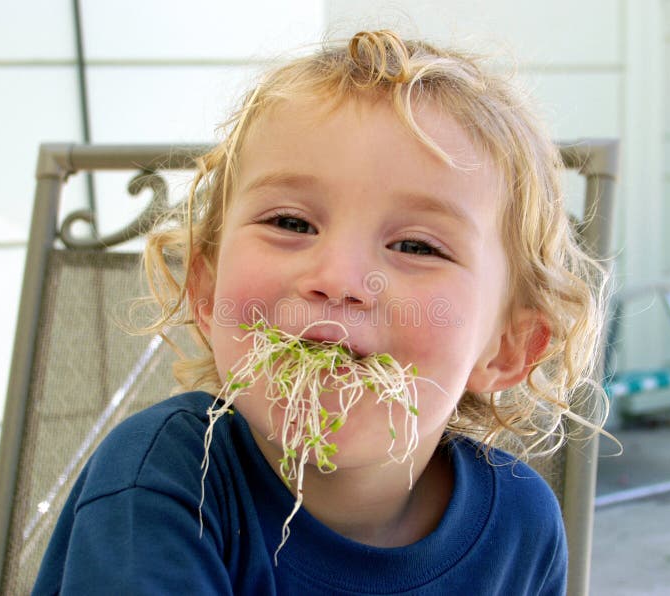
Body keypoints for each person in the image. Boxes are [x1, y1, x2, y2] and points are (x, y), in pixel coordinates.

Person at [33, 30, 608, 595]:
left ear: (509, 347)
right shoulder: (167, 483)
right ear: (206, 291)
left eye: (416, 246)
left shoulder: (520, 528)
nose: (337, 279)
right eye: (290, 223)